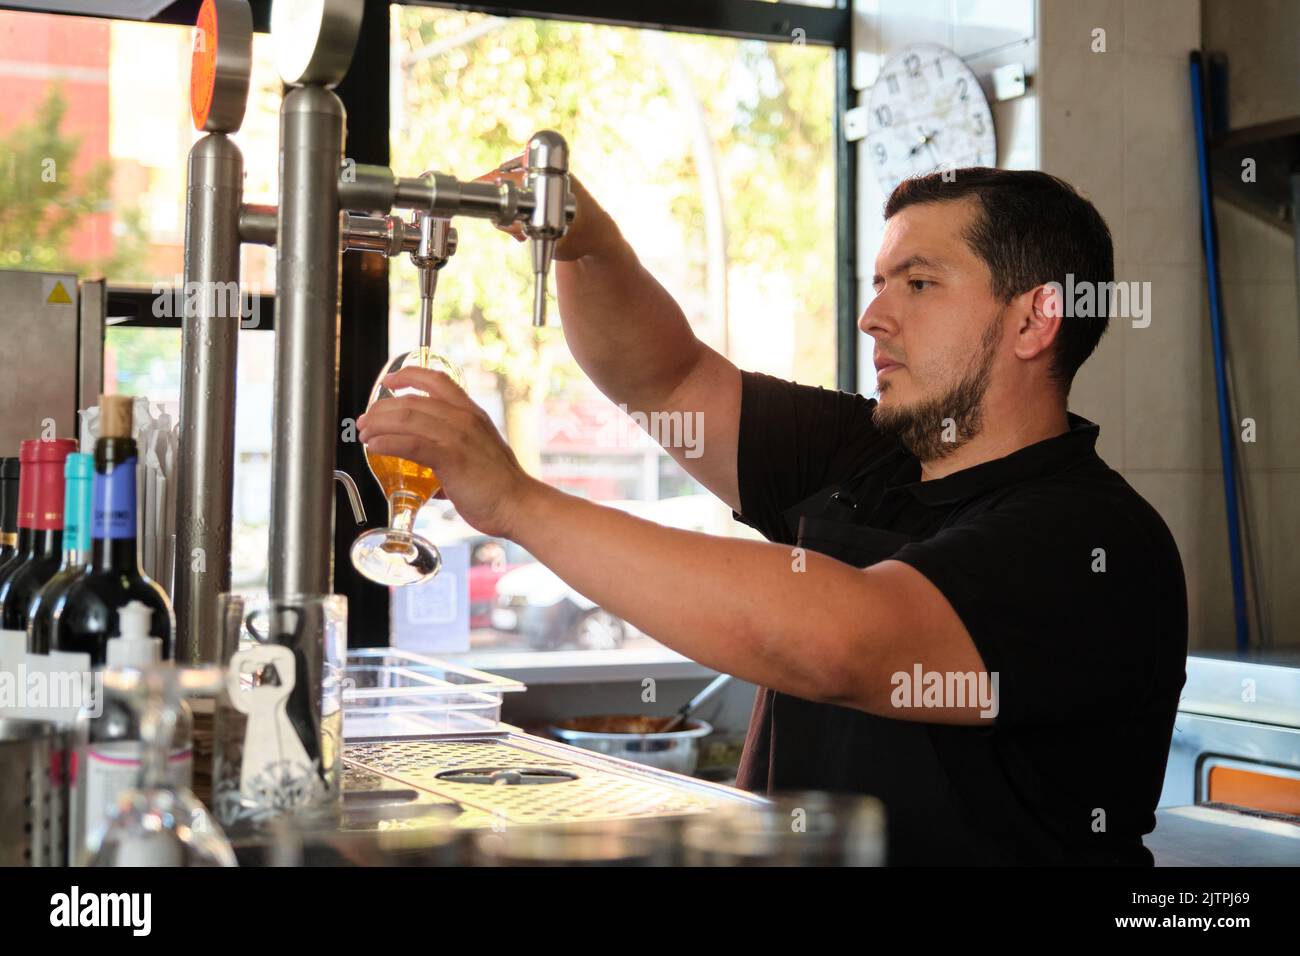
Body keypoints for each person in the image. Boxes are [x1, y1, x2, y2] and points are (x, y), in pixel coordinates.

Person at [356, 162, 1188, 865]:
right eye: (878, 285)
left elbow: (845, 645)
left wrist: (516, 502)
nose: (873, 317)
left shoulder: (1094, 542)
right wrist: (585, 242)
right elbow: (666, 381)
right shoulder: (869, 455)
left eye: (920, 284)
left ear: (1035, 318)